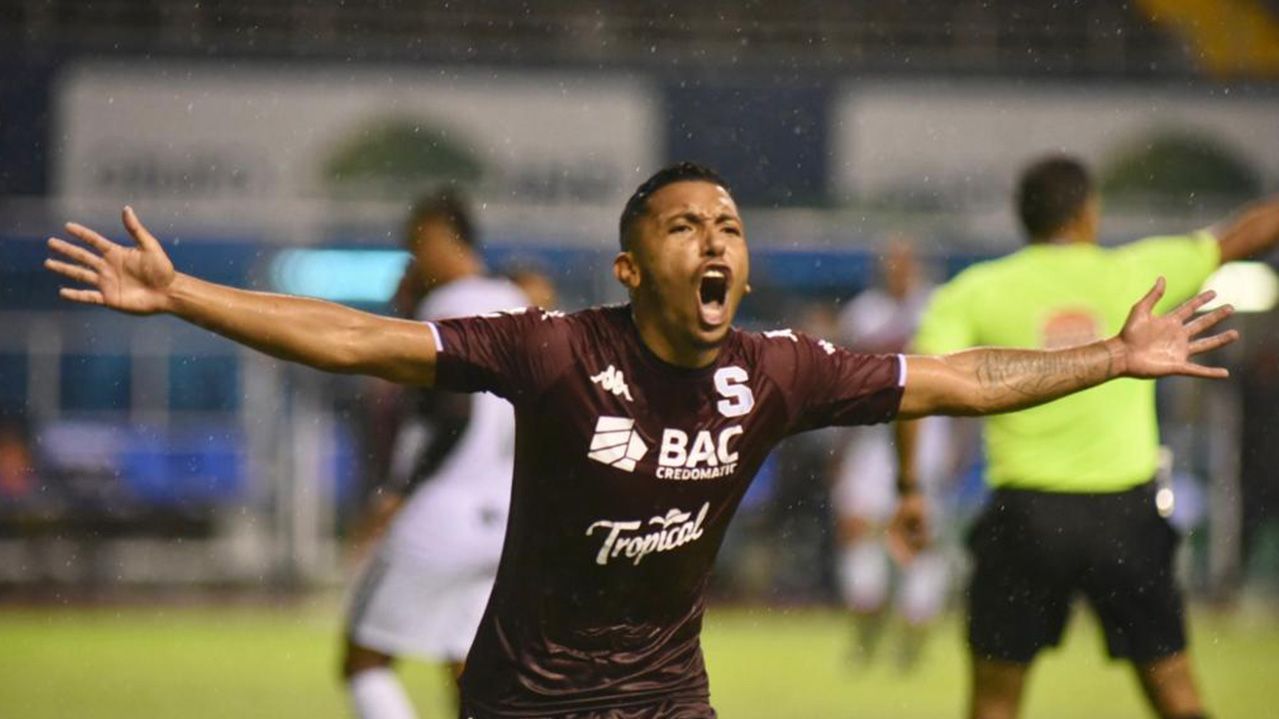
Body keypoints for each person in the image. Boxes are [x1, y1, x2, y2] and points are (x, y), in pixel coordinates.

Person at [45, 162, 1237, 718]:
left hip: (669, 698)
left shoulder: (775, 369)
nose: (714, 238)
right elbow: (356, 338)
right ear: (633, 265)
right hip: (523, 700)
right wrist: (187, 292)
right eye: (683, 225)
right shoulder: (556, 350)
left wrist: (1113, 356)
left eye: (729, 221)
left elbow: (962, 379)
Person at [889, 155, 1279, 719]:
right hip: (1125, 516)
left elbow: (916, 383)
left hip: (1026, 517)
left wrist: (909, 488)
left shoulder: (977, 290)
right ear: (1087, 211)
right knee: (1175, 691)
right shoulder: (1140, 271)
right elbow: (1241, 237)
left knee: (995, 703)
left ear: (1025, 218)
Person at [343, 190, 530, 718]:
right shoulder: (518, 301)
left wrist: (398, 491)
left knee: (364, 660)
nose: (413, 259)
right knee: (466, 667)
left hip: (443, 509)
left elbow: (451, 415)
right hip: (506, 516)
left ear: (444, 237)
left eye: (417, 244)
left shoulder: (445, 307)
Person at [832, 240, 956, 669]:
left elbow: (960, 379)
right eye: (890, 263)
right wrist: (839, 447)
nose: (896, 271)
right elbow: (840, 384)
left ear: (916, 267)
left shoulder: (938, 307)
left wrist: (961, 442)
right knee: (857, 528)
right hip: (870, 441)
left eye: (904, 262)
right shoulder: (863, 312)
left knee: (920, 540)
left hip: (925, 438)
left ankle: (912, 641)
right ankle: (866, 625)